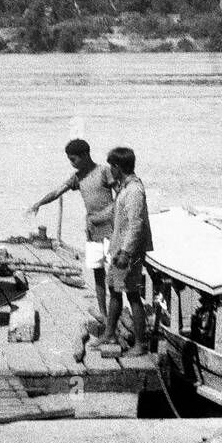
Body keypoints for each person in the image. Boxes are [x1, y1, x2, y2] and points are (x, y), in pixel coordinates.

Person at [28, 138, 115, 319]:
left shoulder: (104, 172)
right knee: (98, 273)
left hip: (111, 229)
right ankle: (103, 313)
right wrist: (39, 203)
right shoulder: (77, 178)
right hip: (93, 230)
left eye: (73, 159)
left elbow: (121, 193)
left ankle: (114, 316)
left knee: (114, 276)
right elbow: (56, 192)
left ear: (85, 155)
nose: (71, 163)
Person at [96, 145, 153, 358]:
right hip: (120, 250)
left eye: (112, 166)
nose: (110, 170)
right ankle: (109, 333)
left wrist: (126, 253)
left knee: (133, 295)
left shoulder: (134, 190)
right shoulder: (126, 187)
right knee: (115, 290)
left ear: (118, 167)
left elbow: (136, 225)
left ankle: (139, 344)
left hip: (128, 253)